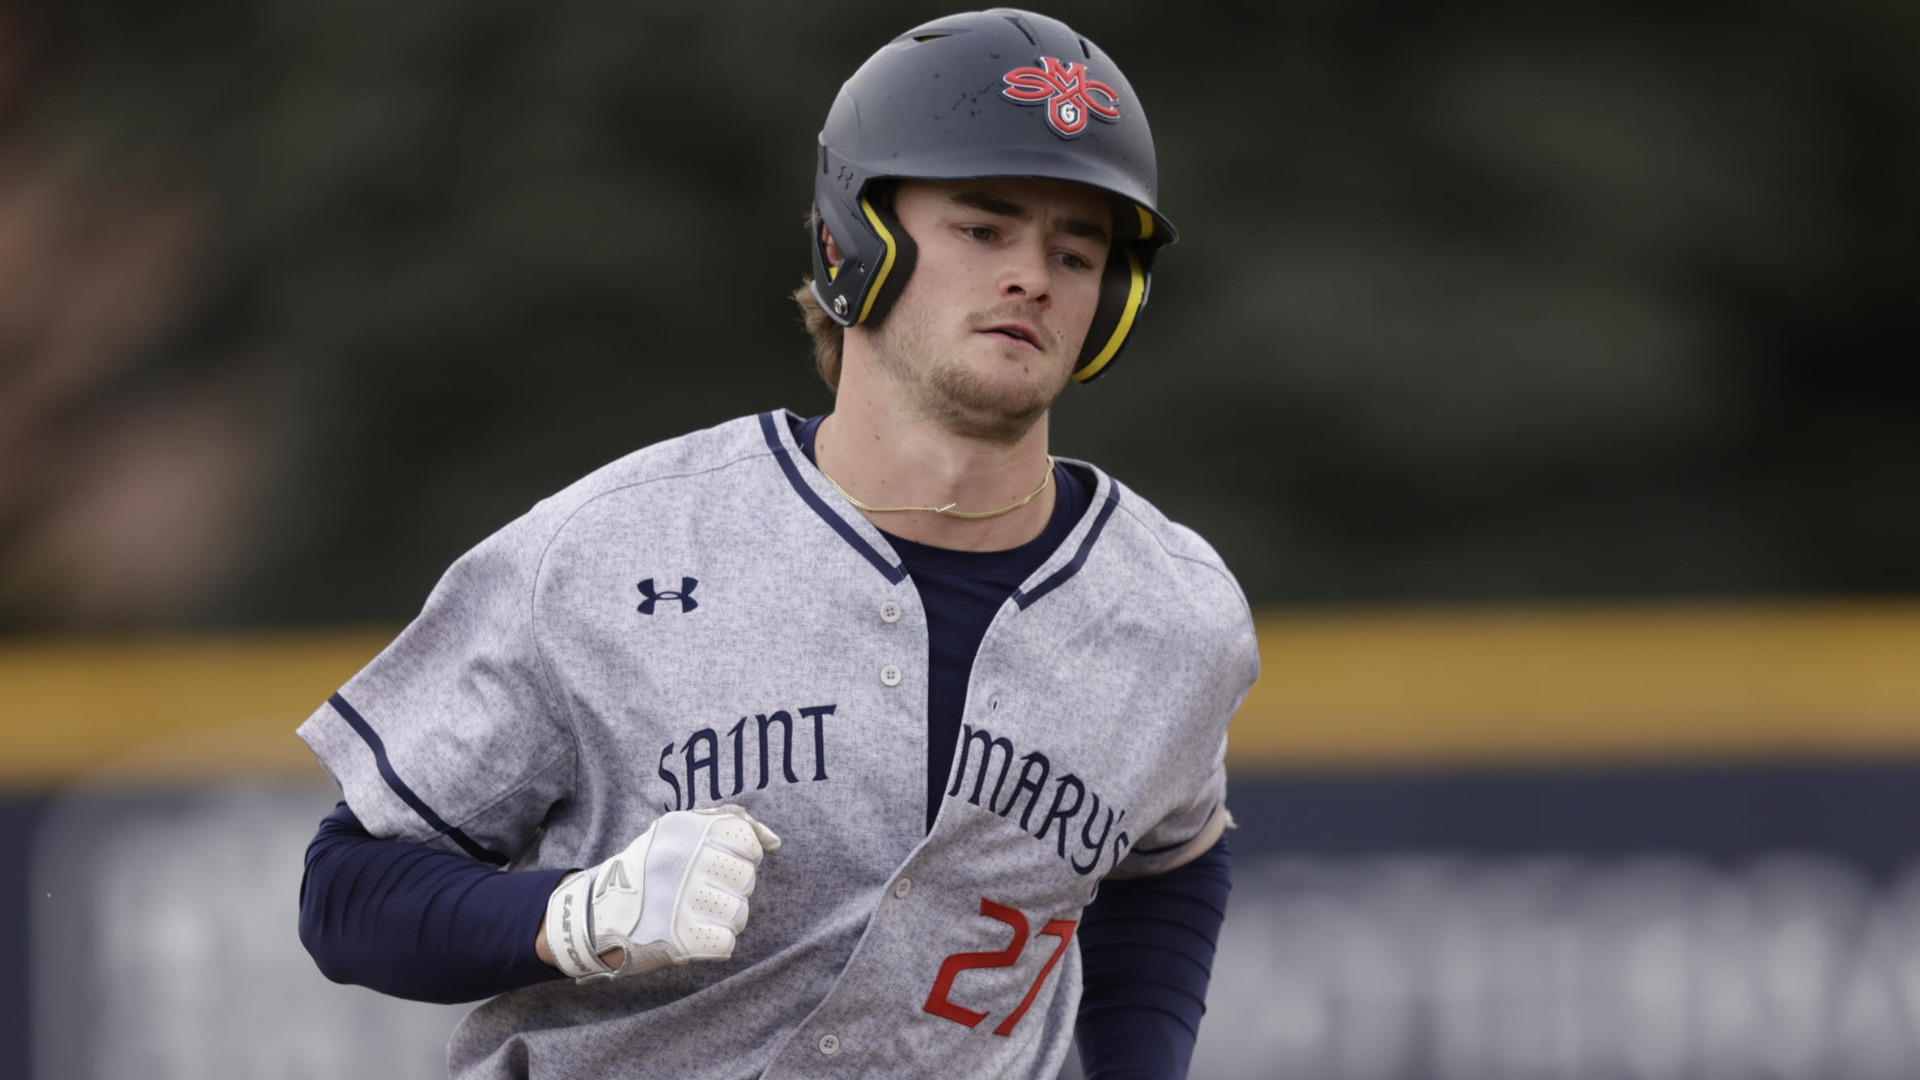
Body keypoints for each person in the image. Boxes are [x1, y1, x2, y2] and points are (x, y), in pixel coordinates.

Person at [296, 9, 1259, 1079]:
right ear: (858, 243)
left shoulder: (1177, 614)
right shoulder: (606, 551)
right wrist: (573, 916)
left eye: (1076, 253)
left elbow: (1173, 863)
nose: (1033, 275)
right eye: (984, 230)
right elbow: (346, 892)